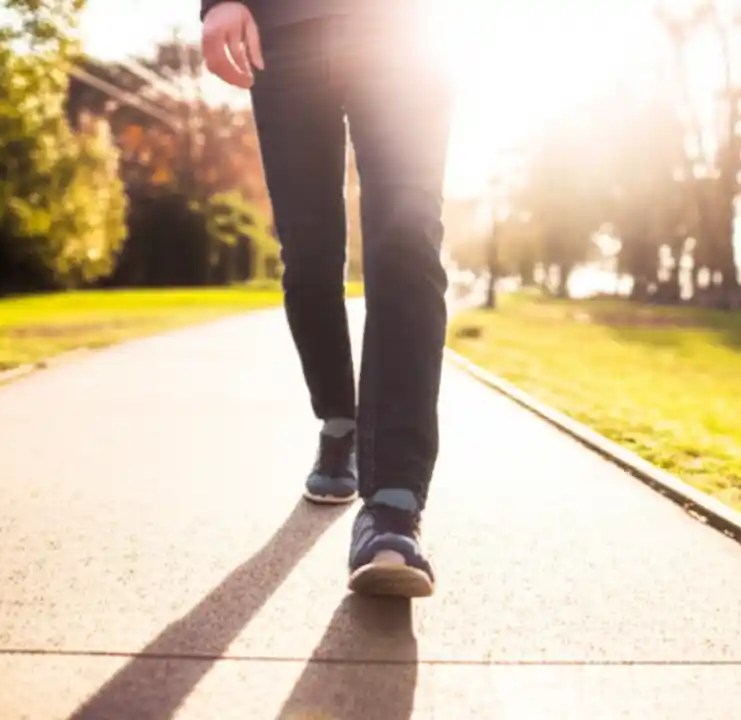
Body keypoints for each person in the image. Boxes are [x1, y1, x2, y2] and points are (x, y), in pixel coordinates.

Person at [200, 0, 452, 598]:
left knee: (407, 239)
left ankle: (392, 507)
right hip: (283, 31)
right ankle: (339, 422)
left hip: (407, 30)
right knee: (309, 260)